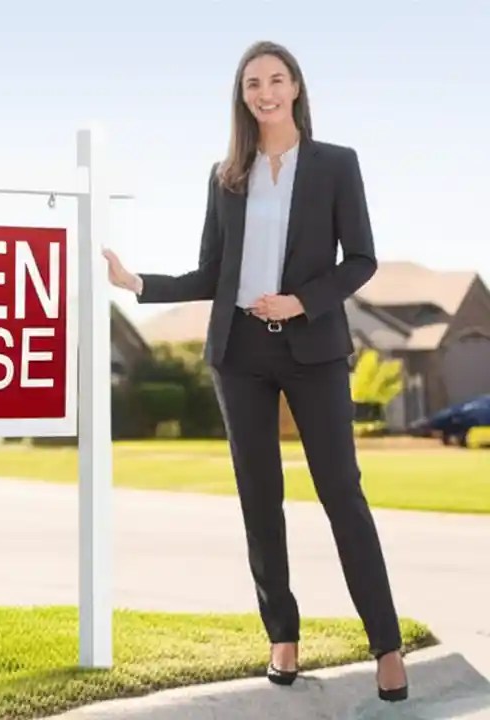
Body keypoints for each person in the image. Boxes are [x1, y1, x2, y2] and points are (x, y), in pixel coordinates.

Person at [103, 40, 409, 702]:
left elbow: (360, 259)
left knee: (341, 493)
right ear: (241, 98)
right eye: (252, 84)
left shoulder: (334, 165)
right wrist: (138, 282)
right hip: (239, 352)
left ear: (296, 87)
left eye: (275, 79)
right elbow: (214, 272)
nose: (264, 92)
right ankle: (282, 637)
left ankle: (386, 643)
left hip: (314, 348)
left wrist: (303, 300)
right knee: (259, 501)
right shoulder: (227, 175)